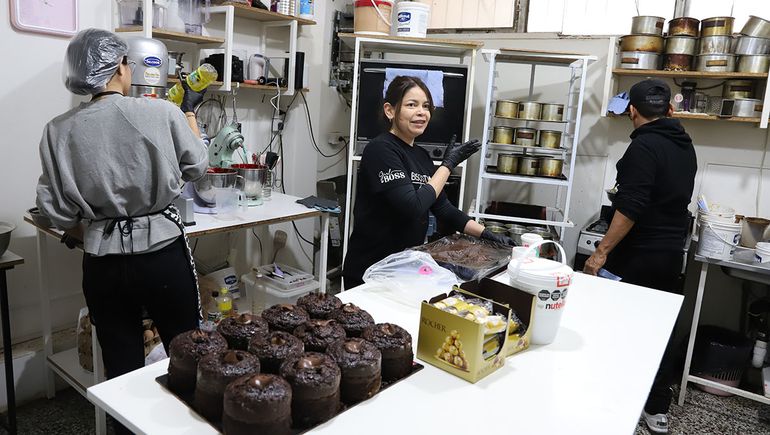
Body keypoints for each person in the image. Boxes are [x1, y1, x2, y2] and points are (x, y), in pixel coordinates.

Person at [36, 28, 207, 405]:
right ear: (120, 67)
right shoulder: (162, 112)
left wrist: (90, 227)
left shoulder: (57, 131)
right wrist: (190, 110)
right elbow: (197, 164)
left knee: (121, 370)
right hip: (162, 255)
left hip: (103, 265)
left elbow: (53, 211)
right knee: (188, 355)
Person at [584, 79, 697, 434]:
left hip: (638, 256)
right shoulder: (684, 145)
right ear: (670, 110)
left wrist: (601, 252)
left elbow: (631, 207)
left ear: (632, 110)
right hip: (669, 256)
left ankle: (613, 403)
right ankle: (657, 408)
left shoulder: (644, 148)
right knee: (660, 331)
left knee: (621, 330)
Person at [343, 76, 512, 288]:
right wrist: (447, 166)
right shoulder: (381, 149)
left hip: (403, 268)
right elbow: (412, 207)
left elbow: (444, 209)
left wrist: (487, 235)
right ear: (390, 111)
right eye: (411, 105)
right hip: (370, 270)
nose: (422, 112)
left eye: (426, 106)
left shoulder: (421, 156)